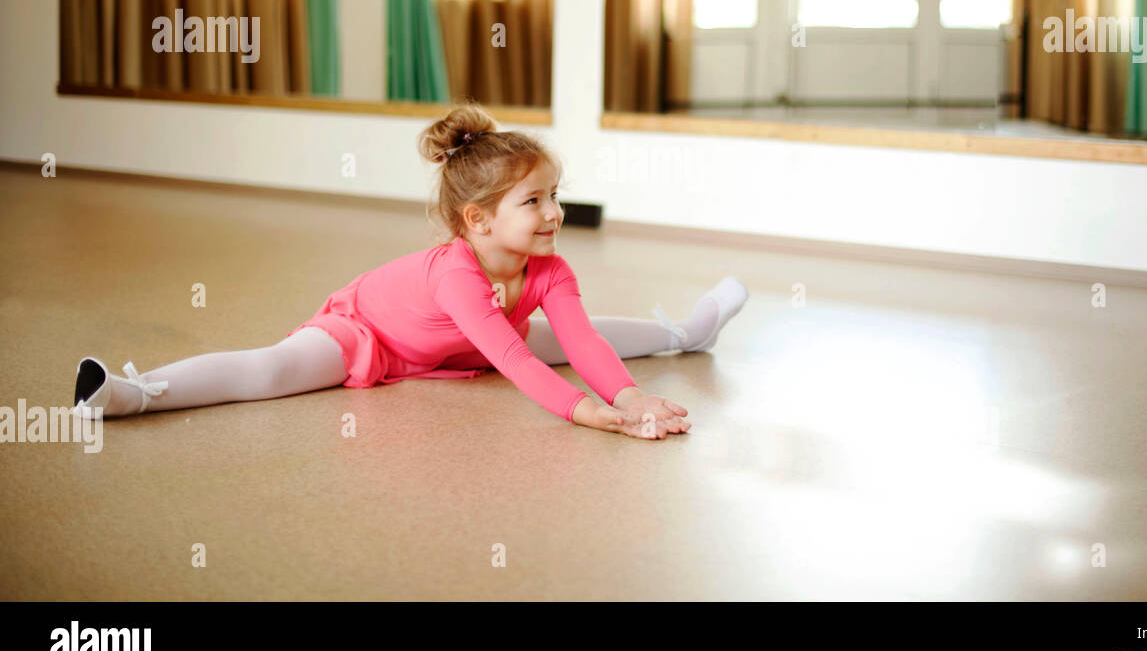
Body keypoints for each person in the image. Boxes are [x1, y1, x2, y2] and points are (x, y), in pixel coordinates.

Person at [71, 102, 748, 441]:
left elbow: (582, 342)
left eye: (555, 196)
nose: (554, 214)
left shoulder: (548, 269)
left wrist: (629, 399)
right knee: (268, 372)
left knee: (592, 334)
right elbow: (512, 359)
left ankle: (687, 332)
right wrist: (589, 414)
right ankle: (133, 392)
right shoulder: (456, 273)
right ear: (478, 221)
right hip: (370, 332)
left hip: (464, 344)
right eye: (534, 201)